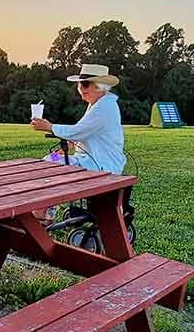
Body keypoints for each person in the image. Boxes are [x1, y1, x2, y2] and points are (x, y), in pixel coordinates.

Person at [31, 64, 125, 221]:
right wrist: (70, 142)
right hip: (92, 160)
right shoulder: (99, 104)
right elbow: (86, 133)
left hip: (100, 165)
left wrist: (49, 127)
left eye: (85, 84)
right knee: (52, 158)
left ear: (99, 86)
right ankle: (45, 209)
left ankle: (43, 213)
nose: (81, 88)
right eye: (80, 84)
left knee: (48, 165)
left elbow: (78, 130)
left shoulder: (104, 107)